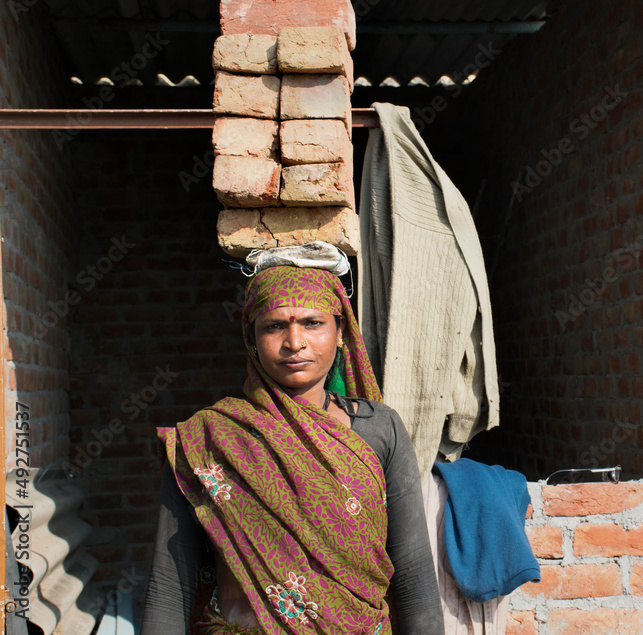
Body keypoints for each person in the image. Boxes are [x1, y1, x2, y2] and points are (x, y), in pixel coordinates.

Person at [141, 263, 444, 634]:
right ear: (251, 339)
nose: (294, 342)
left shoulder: (380, 428)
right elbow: (170, 583)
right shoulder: (206, 439)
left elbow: (412, 568)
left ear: (341, 333)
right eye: (274, 326)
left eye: (312, 323)